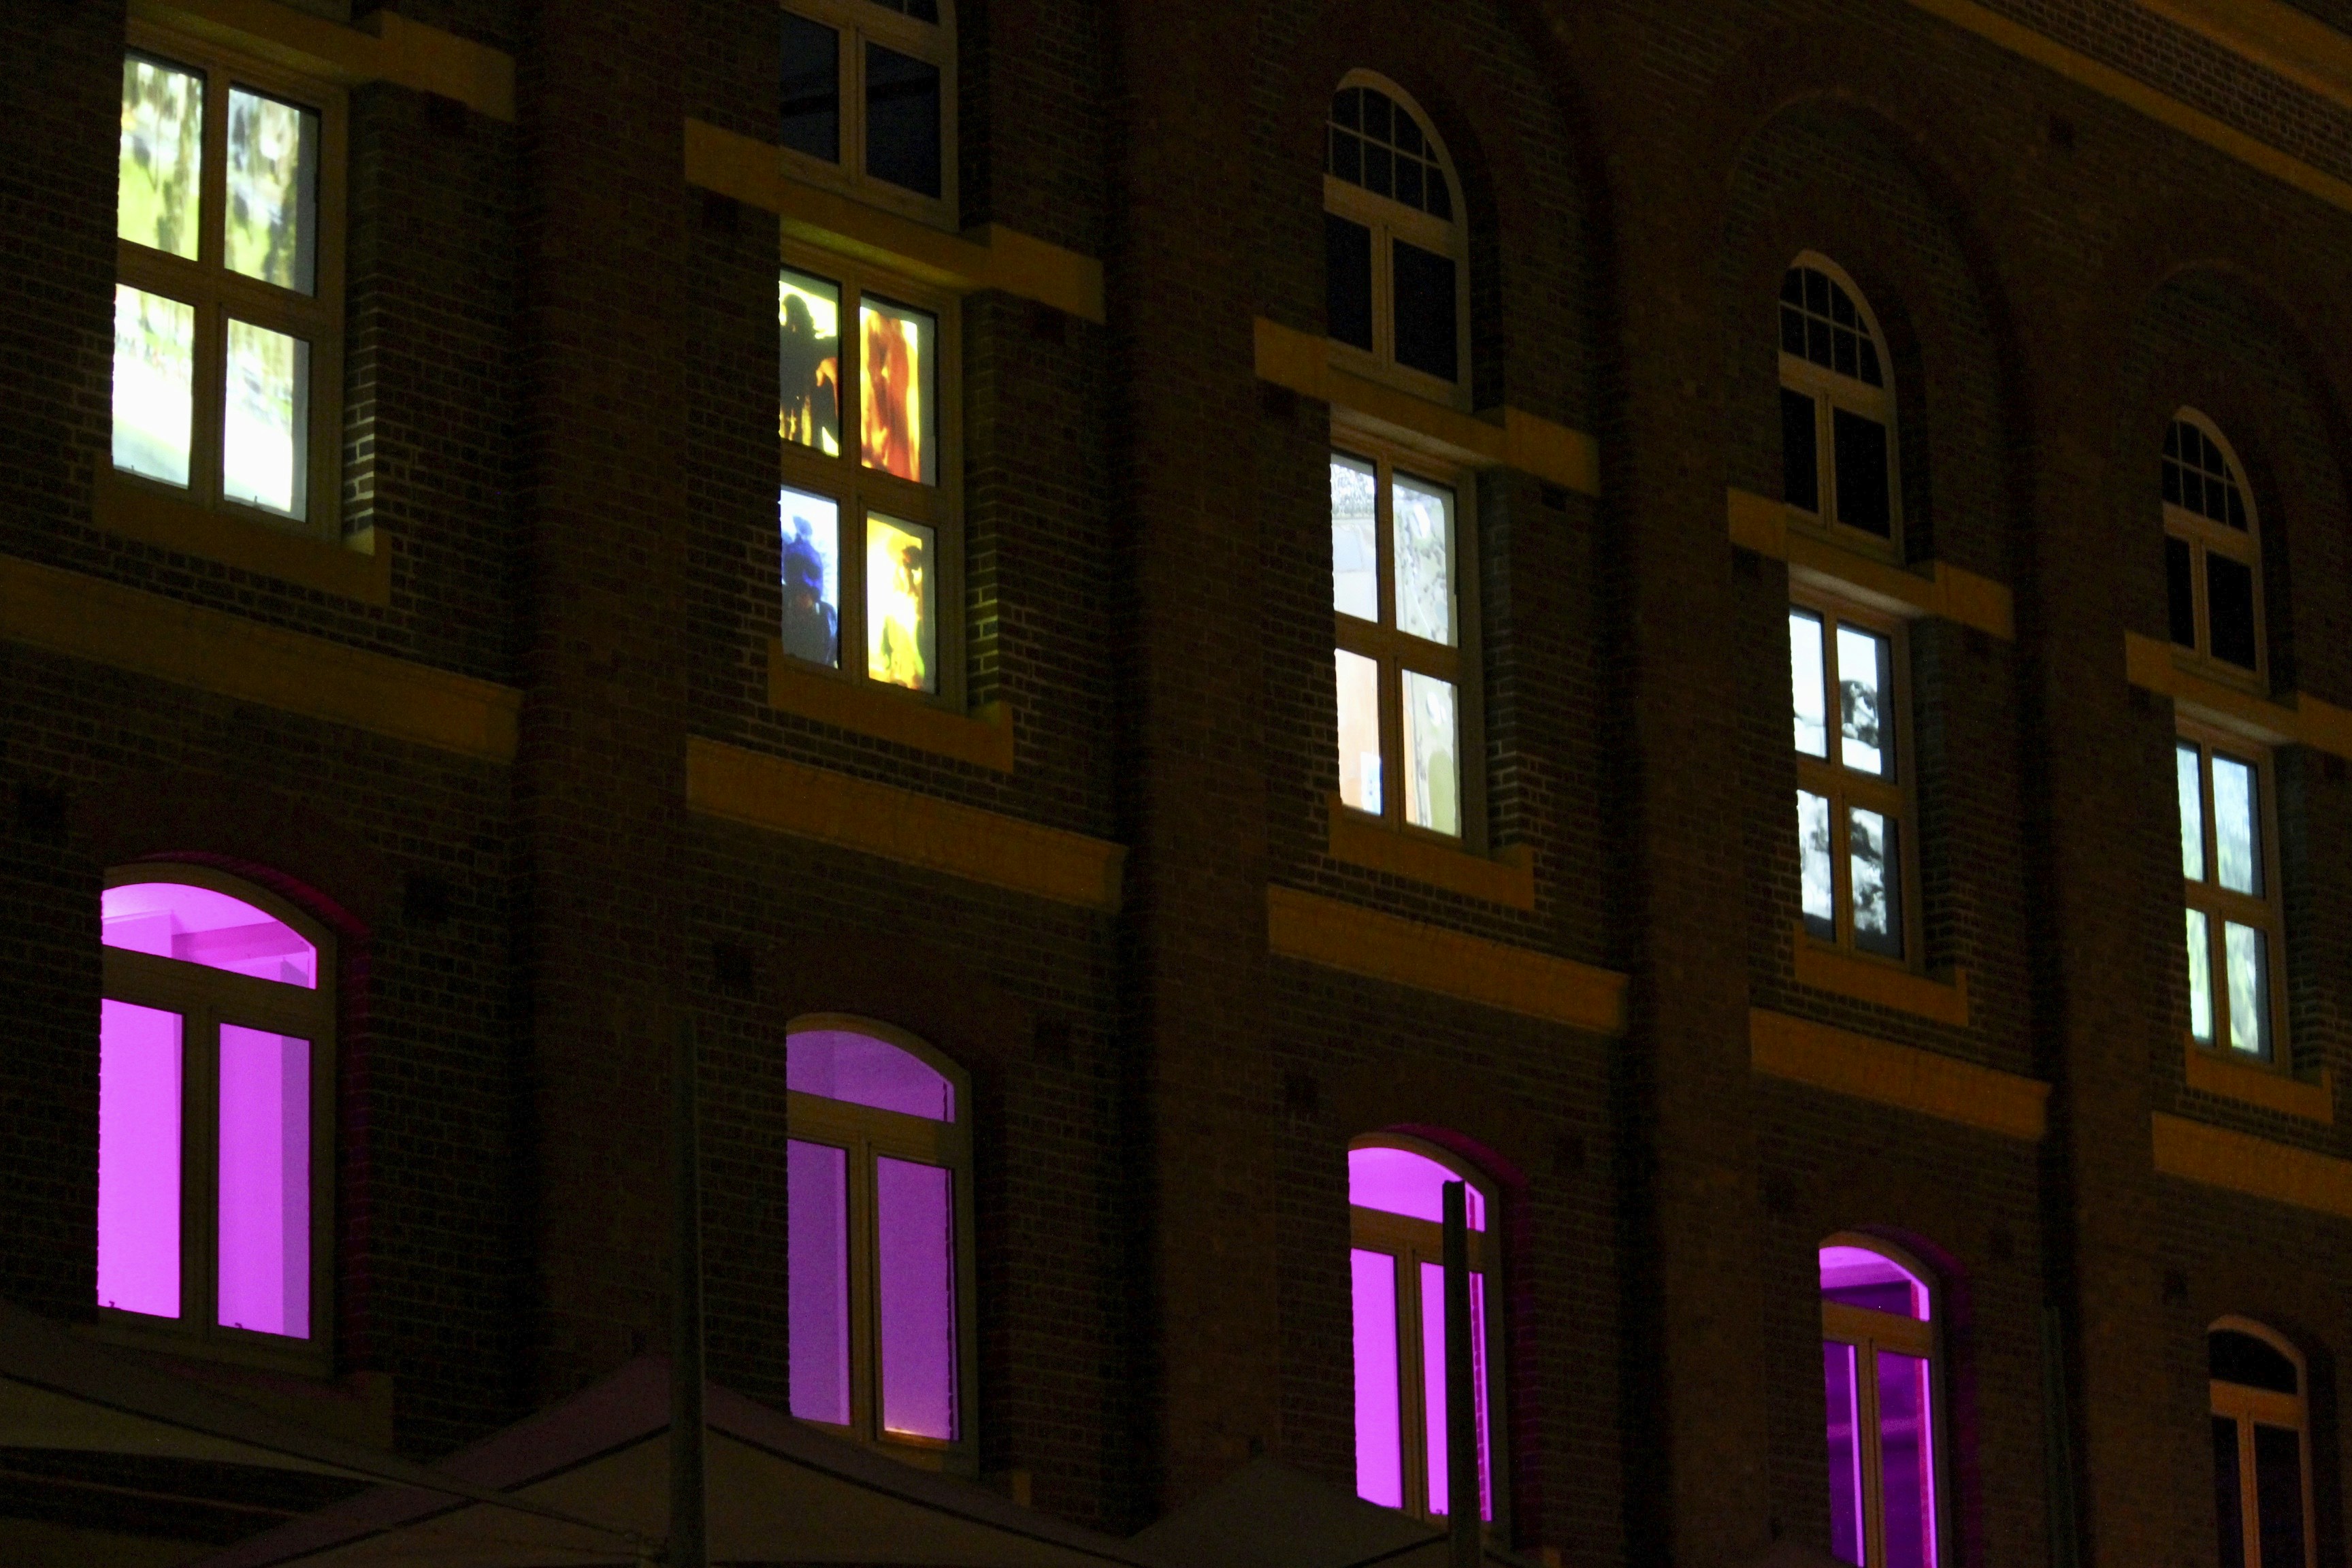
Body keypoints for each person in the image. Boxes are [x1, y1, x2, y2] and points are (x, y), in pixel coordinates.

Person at [779, 517, 838, 666]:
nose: (804, 591)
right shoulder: (780, 609)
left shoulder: (828, 619)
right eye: (796, 568)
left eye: (812, 571)